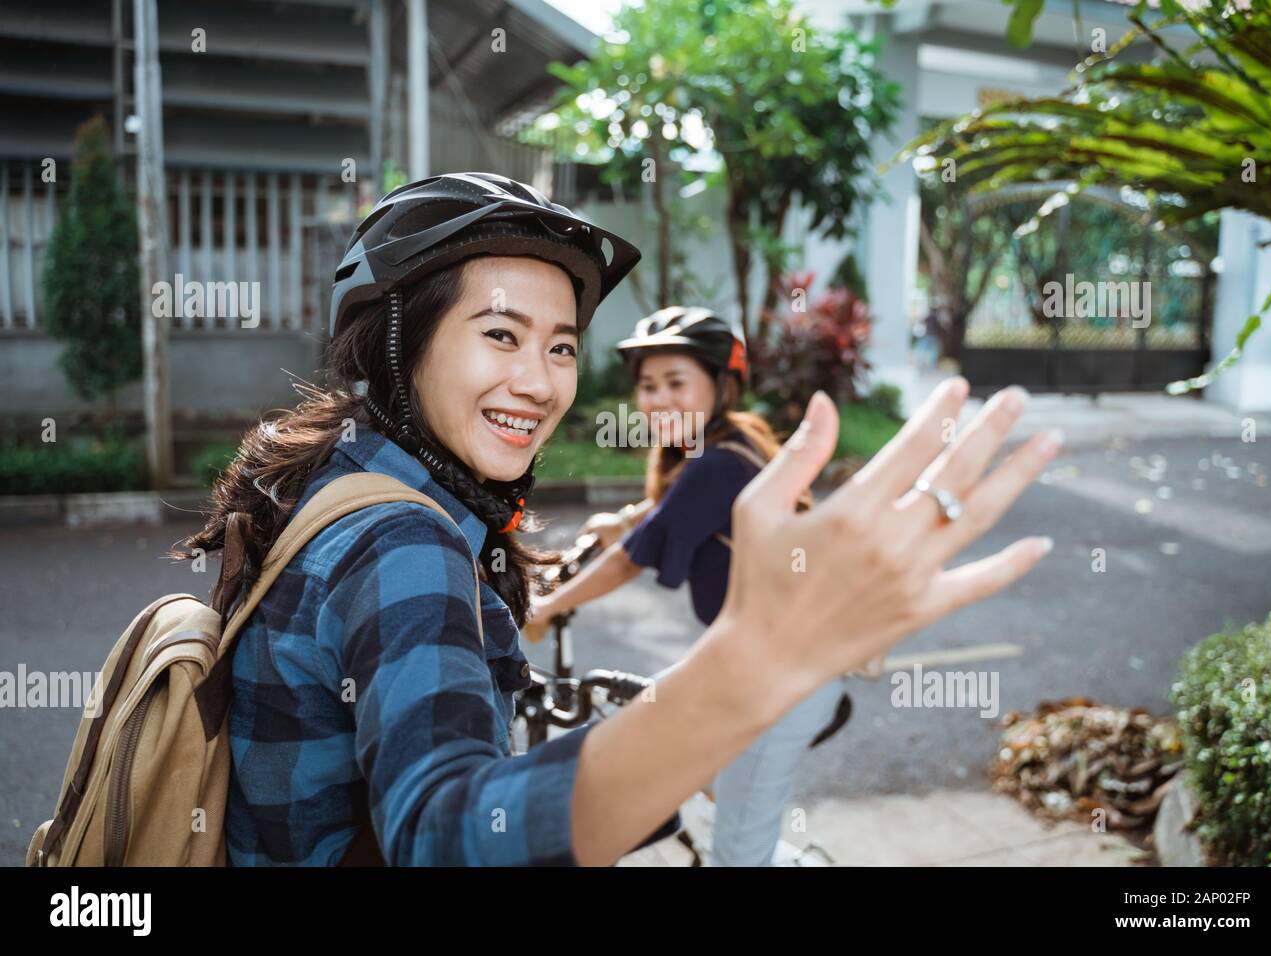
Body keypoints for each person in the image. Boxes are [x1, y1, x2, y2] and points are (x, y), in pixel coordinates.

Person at [178, 171, 1060, 866]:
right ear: (402, 343)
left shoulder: (330, 475)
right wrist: (760, 659)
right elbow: (446, 838)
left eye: (561, 345)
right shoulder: (401, 540)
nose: (541, 380)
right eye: (501, 335)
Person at [528, 306, 850, 865]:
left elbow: (631, 562)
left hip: (787, 678)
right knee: (665, 742)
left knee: (737, 852)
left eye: (677, 382)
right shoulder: (721, 447)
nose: (658, 400)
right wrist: (625, 520)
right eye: (649, 386)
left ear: (722, 386)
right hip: (752, 659)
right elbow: (667, 511)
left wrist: (546, 607)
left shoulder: (719, 462)